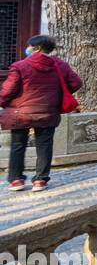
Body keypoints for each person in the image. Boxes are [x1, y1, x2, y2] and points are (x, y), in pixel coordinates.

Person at [1, 35, 83, 192]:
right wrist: (57, 94)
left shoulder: (20, 65)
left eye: (29, 46)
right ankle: (40, 181)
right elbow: (76, 83)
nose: (28, 48)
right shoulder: (60, 65)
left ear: (37, 48)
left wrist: (3, 101)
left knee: (18, 145)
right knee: (44, 145)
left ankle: (16, 180)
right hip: (48, 111)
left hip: (20, 112)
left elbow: (8, 90)